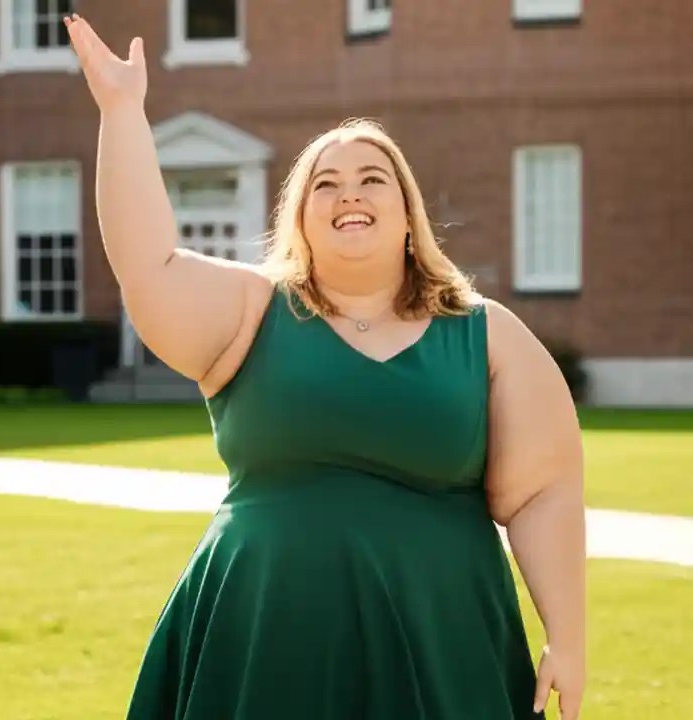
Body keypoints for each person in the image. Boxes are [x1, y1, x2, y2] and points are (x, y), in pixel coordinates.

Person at [64, 13, 587, 720]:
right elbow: (147, 264)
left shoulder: (488, 335)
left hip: (443, 640)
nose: (350, 193)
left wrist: (568, 636)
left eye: (374, 179)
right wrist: (123, 112)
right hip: (262, 636)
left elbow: (542, 492)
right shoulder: (249, 312)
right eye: (324, 183)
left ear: (409, 218)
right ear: (300, 219)